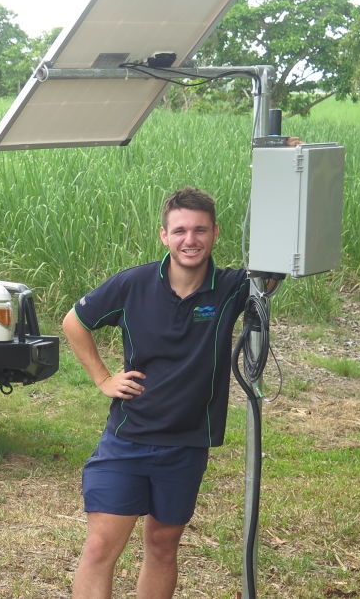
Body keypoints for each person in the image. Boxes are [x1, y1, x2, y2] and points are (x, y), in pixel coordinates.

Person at [62, 186, 250, 599]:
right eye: (180, 230)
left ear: (215, 233)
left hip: (185, 445)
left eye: (200, 230)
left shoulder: (233, 288)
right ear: (164, 235)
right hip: (127, 439)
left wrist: (284, 156)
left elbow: (283, 255)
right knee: (99, 548)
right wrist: (103, 378)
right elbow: (75, 322)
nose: (190, 240)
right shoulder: (134, 284)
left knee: (163, 547)